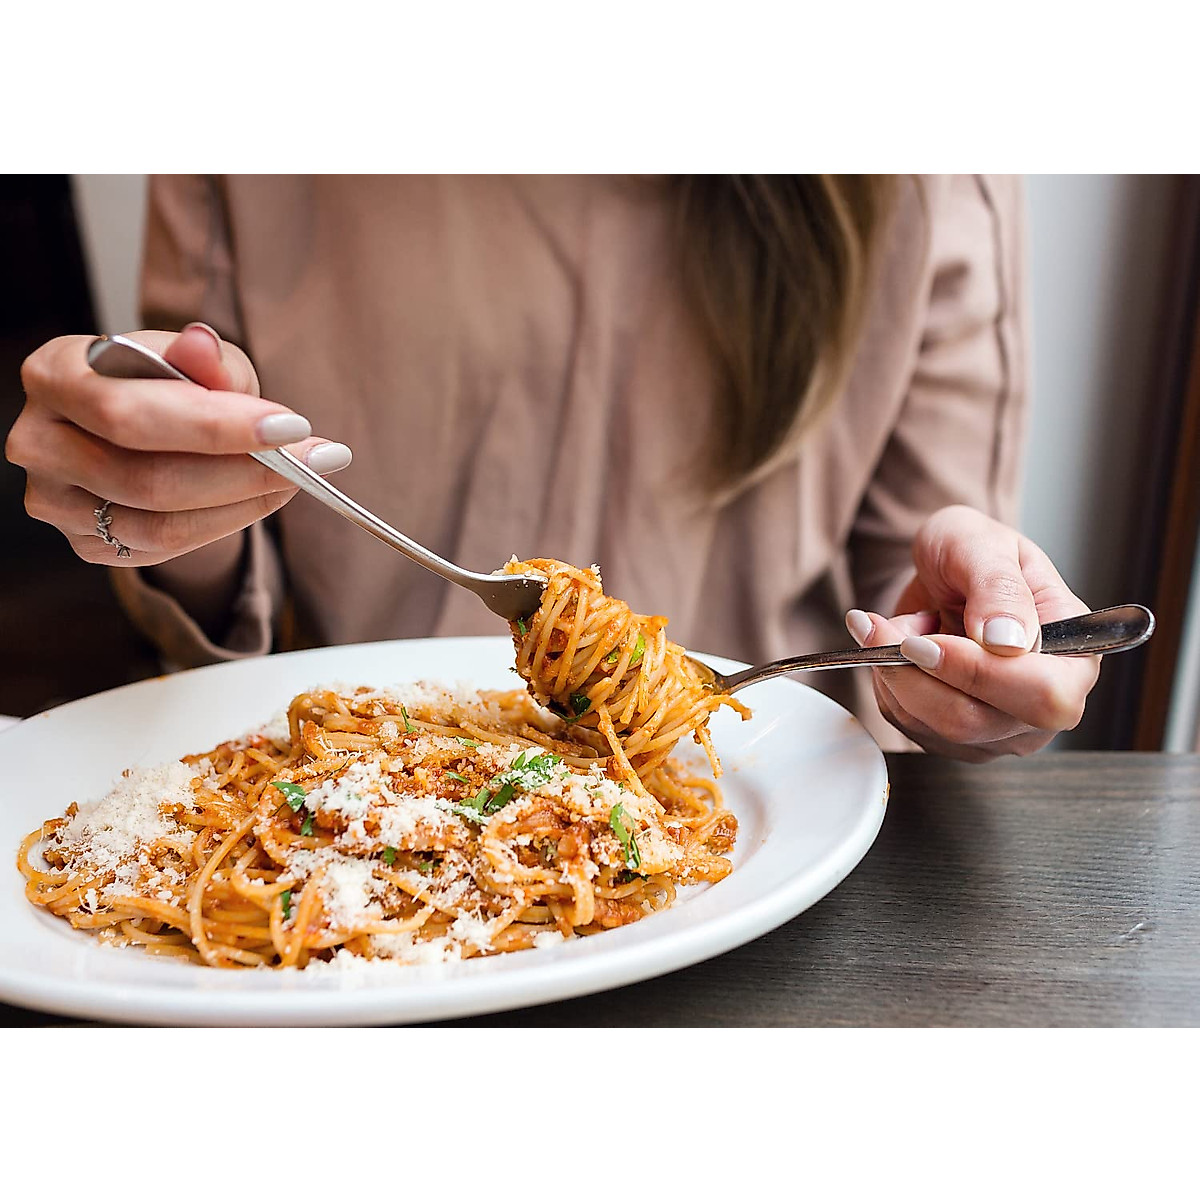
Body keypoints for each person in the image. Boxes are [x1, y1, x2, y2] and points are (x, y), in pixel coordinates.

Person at [6, 175, 1099, 760]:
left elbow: (917, 590)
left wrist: (962, 664)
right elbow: (213, 587)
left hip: (761, 823)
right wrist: (154, 492)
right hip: (358, 789)